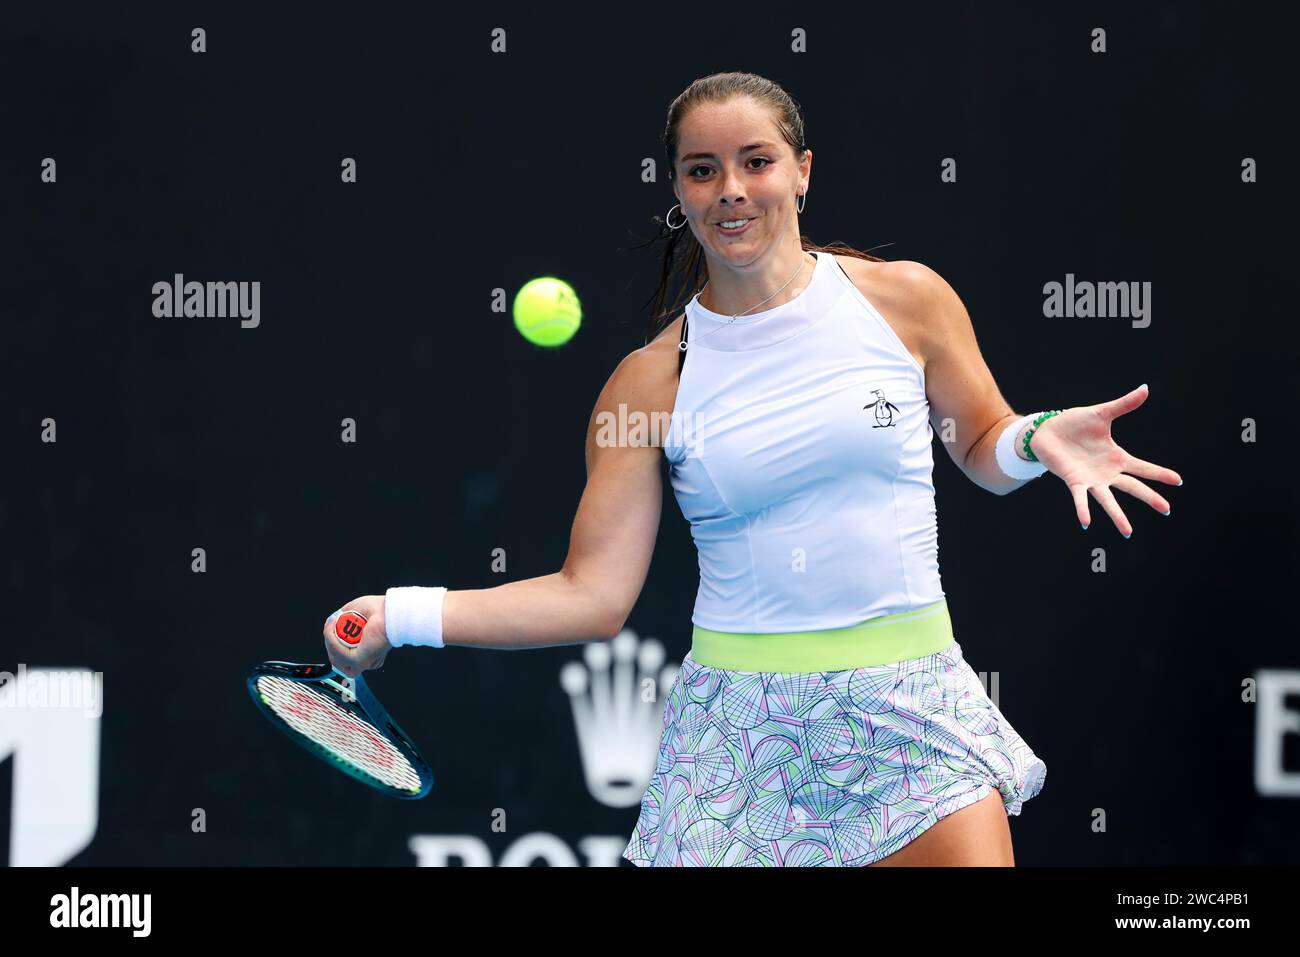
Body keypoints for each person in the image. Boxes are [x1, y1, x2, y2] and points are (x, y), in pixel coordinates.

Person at [322, 71, 1182, 866]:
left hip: (913, 707)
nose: (731, 189)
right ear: (679, 192)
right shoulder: (650, 382)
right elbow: (593, 593)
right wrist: (402, 612)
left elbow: (980, 443)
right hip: (737, 733)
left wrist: (1033, 439)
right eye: (702, 170)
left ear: (802, 171)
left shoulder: (908, 300)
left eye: (756, 161)